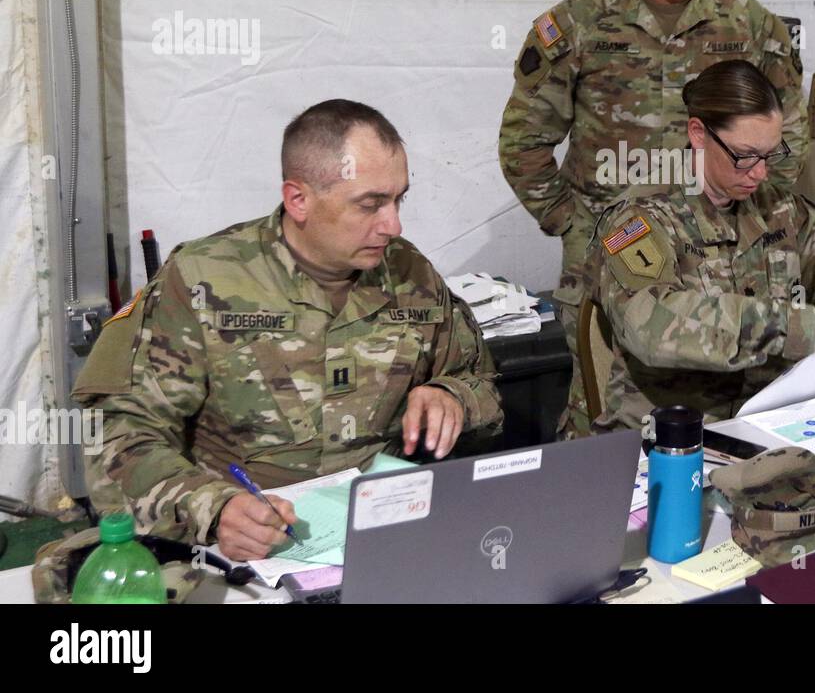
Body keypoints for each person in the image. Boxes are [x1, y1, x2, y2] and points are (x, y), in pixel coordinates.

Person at [72, 100, 502, 560]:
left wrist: (453, 398)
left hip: (385, 536)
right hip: (247, 552)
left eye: (399, 199)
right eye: (371, 204)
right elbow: (117, 434)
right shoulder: (203, 280)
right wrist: (214, 509)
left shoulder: (411, 272)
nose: (392, 224)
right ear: (299, 199)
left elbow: (484, 387)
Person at [497, 0, 808, 386]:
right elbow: (523, 142)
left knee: (720, 412)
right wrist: (574, 226)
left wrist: (751, 218)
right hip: (610, 263)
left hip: (719, 266)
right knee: (606, 412)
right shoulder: (580, 23)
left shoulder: (749, 24)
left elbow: (790, 139)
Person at [570, 60, 815, 434]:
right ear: (698, 134)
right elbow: (652, 325)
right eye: (744, 156)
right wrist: (792, 326)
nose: (760, 173)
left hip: (769, 425)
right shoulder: (638, 220)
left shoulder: (777, 209)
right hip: (673, 438)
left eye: (769, 155)